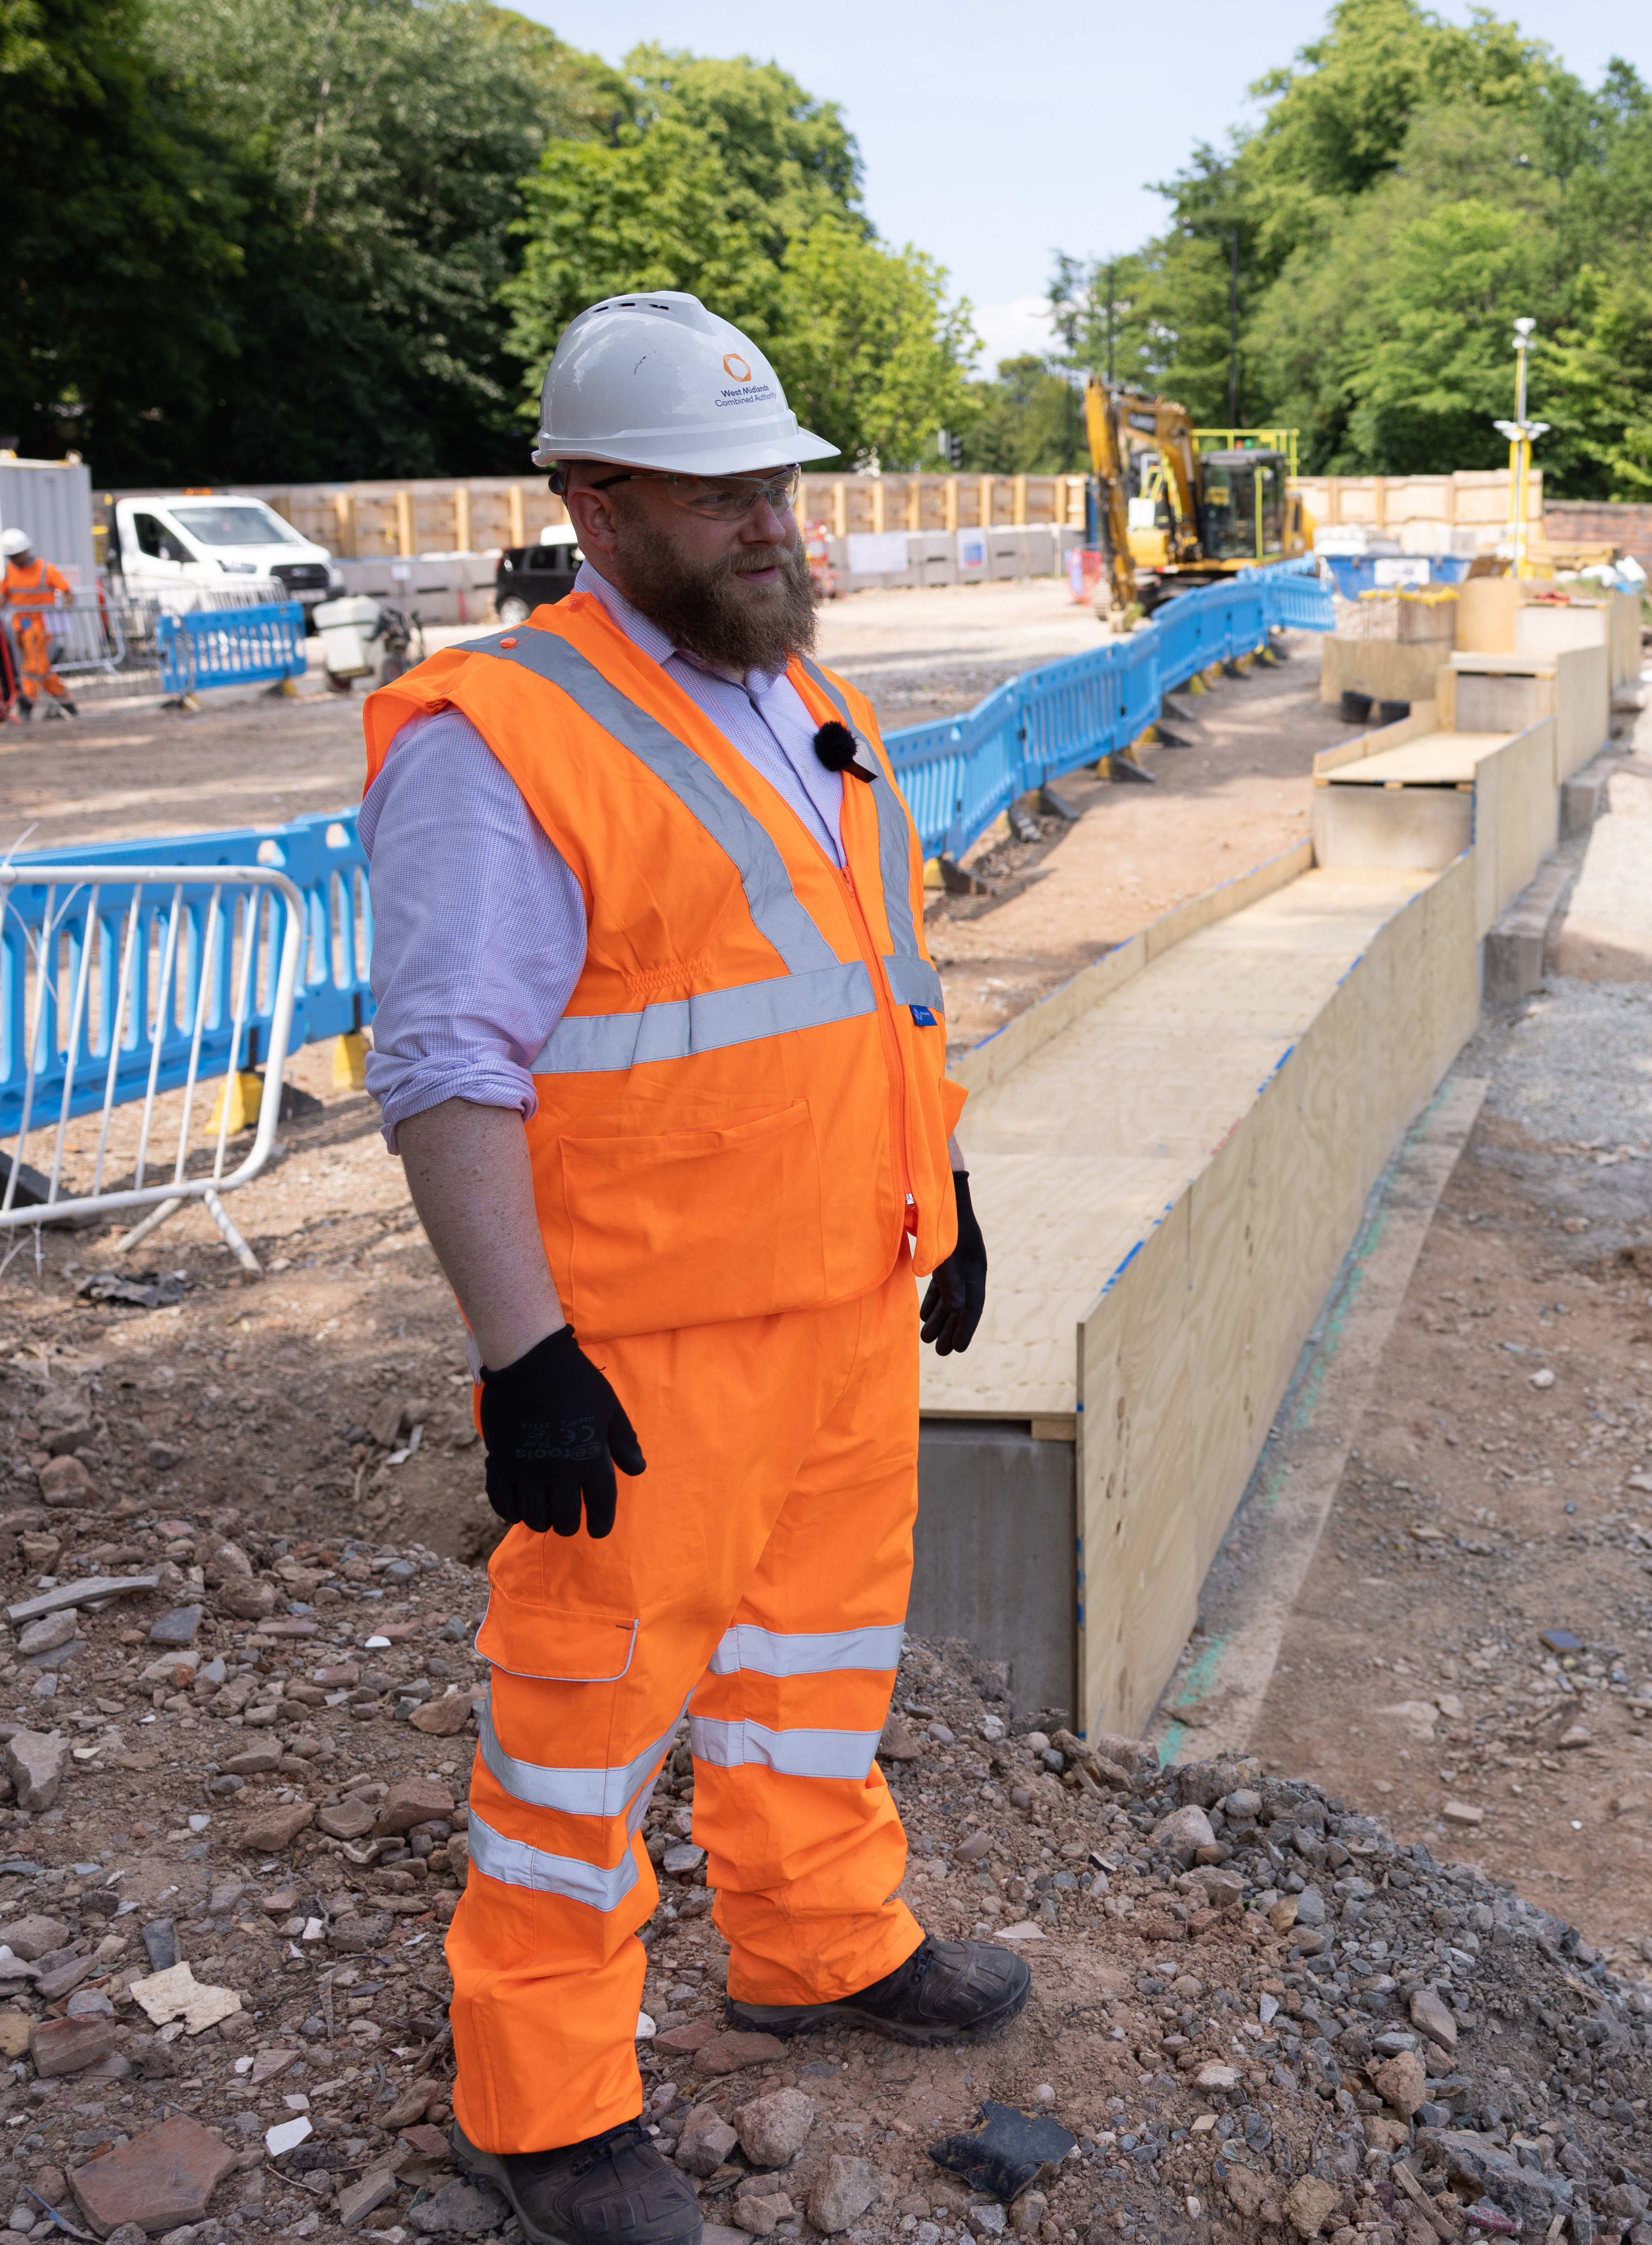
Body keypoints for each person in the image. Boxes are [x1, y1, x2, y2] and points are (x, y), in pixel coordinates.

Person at [358, 291, 1013, 2245]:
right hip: (640, 1349)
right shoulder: (503, 737)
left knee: (816, 1668)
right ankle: (543, 2099)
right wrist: (525, 1349)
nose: (765, 522)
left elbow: (873, 989)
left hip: (841, 1302)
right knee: (584, 1721)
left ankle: (817, 1938)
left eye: (778, 485)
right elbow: (444, 1067)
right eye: (716, 492)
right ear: (595, 496)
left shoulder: (813, 702)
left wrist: (952, 1184)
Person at [0, 530, 75, 720]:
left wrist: (62, 614)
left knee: (34, 665)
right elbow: (4, 595)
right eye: (11, 557)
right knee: (35, 666)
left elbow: (67, 591)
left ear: (27, 551)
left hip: (41, 626)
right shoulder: (10, 570)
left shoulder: (45, 569)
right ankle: (65, 699)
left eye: (17, 556)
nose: (14, 560)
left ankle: (27, 702)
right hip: (20, 626)